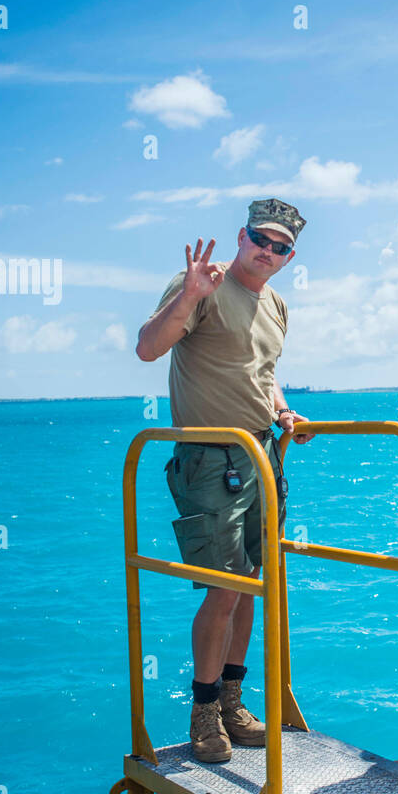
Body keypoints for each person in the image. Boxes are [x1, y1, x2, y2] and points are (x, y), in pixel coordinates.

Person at [135, 198, 312, 763]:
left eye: (281, 246)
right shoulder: (203, 286)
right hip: (212, 459)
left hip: (262, 456)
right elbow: (147, 347)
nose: (268, 251)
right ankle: (205, 712)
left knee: (254, 581)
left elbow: (263, 373)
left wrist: (283, 412)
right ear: (241, 236)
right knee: (225, 586)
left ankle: (233, 701)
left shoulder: (276, 304)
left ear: (290, 255)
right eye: (261, 239)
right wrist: (189, 294)